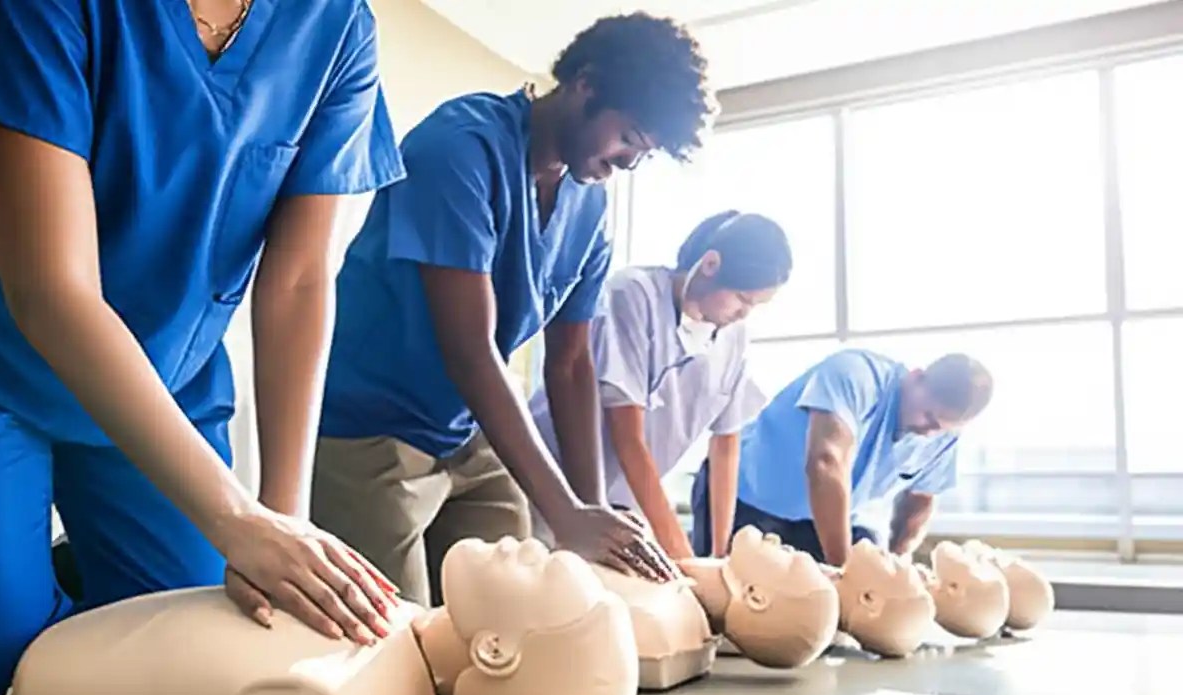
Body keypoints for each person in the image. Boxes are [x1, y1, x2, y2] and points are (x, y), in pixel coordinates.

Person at [0, 0, 407, 695]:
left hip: (169, 380)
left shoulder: (335, 25)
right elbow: (53, 292)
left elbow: (297, 283)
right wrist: (235, 518)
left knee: (210, 654)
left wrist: (280, 519)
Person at [311, 12, 716, 606]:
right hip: (368, 432)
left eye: (644, 152)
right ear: (585, 84)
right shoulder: (459, 149)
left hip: (466, 437)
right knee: (395, 648)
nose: (628, 162)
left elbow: (572, 364)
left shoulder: (588, 208)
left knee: (517, 620)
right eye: (627, 136)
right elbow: (471, 351)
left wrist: (591, 510)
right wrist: (566, 514)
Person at [529, 210, 792, 561]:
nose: (745, 313)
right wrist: (682, 557)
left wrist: (718, 554)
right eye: (743, 299)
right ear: (710, 264)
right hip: (548, 484)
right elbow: (629, 438)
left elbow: (726, 444)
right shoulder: (633, 295)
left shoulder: (734, 339)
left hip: (620, 502)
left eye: (755, 305)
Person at [690, 350, 993, 566]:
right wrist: (844, 570)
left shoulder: (942, 435)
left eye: (940, 428)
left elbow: (920, 501)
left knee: (847, 598)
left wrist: (898, 563)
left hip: (821, 520)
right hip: (744, 496)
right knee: (729, 603)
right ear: (916, 378)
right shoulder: (855, 374)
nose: (928, 432)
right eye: (928, 416)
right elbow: (825, 462)